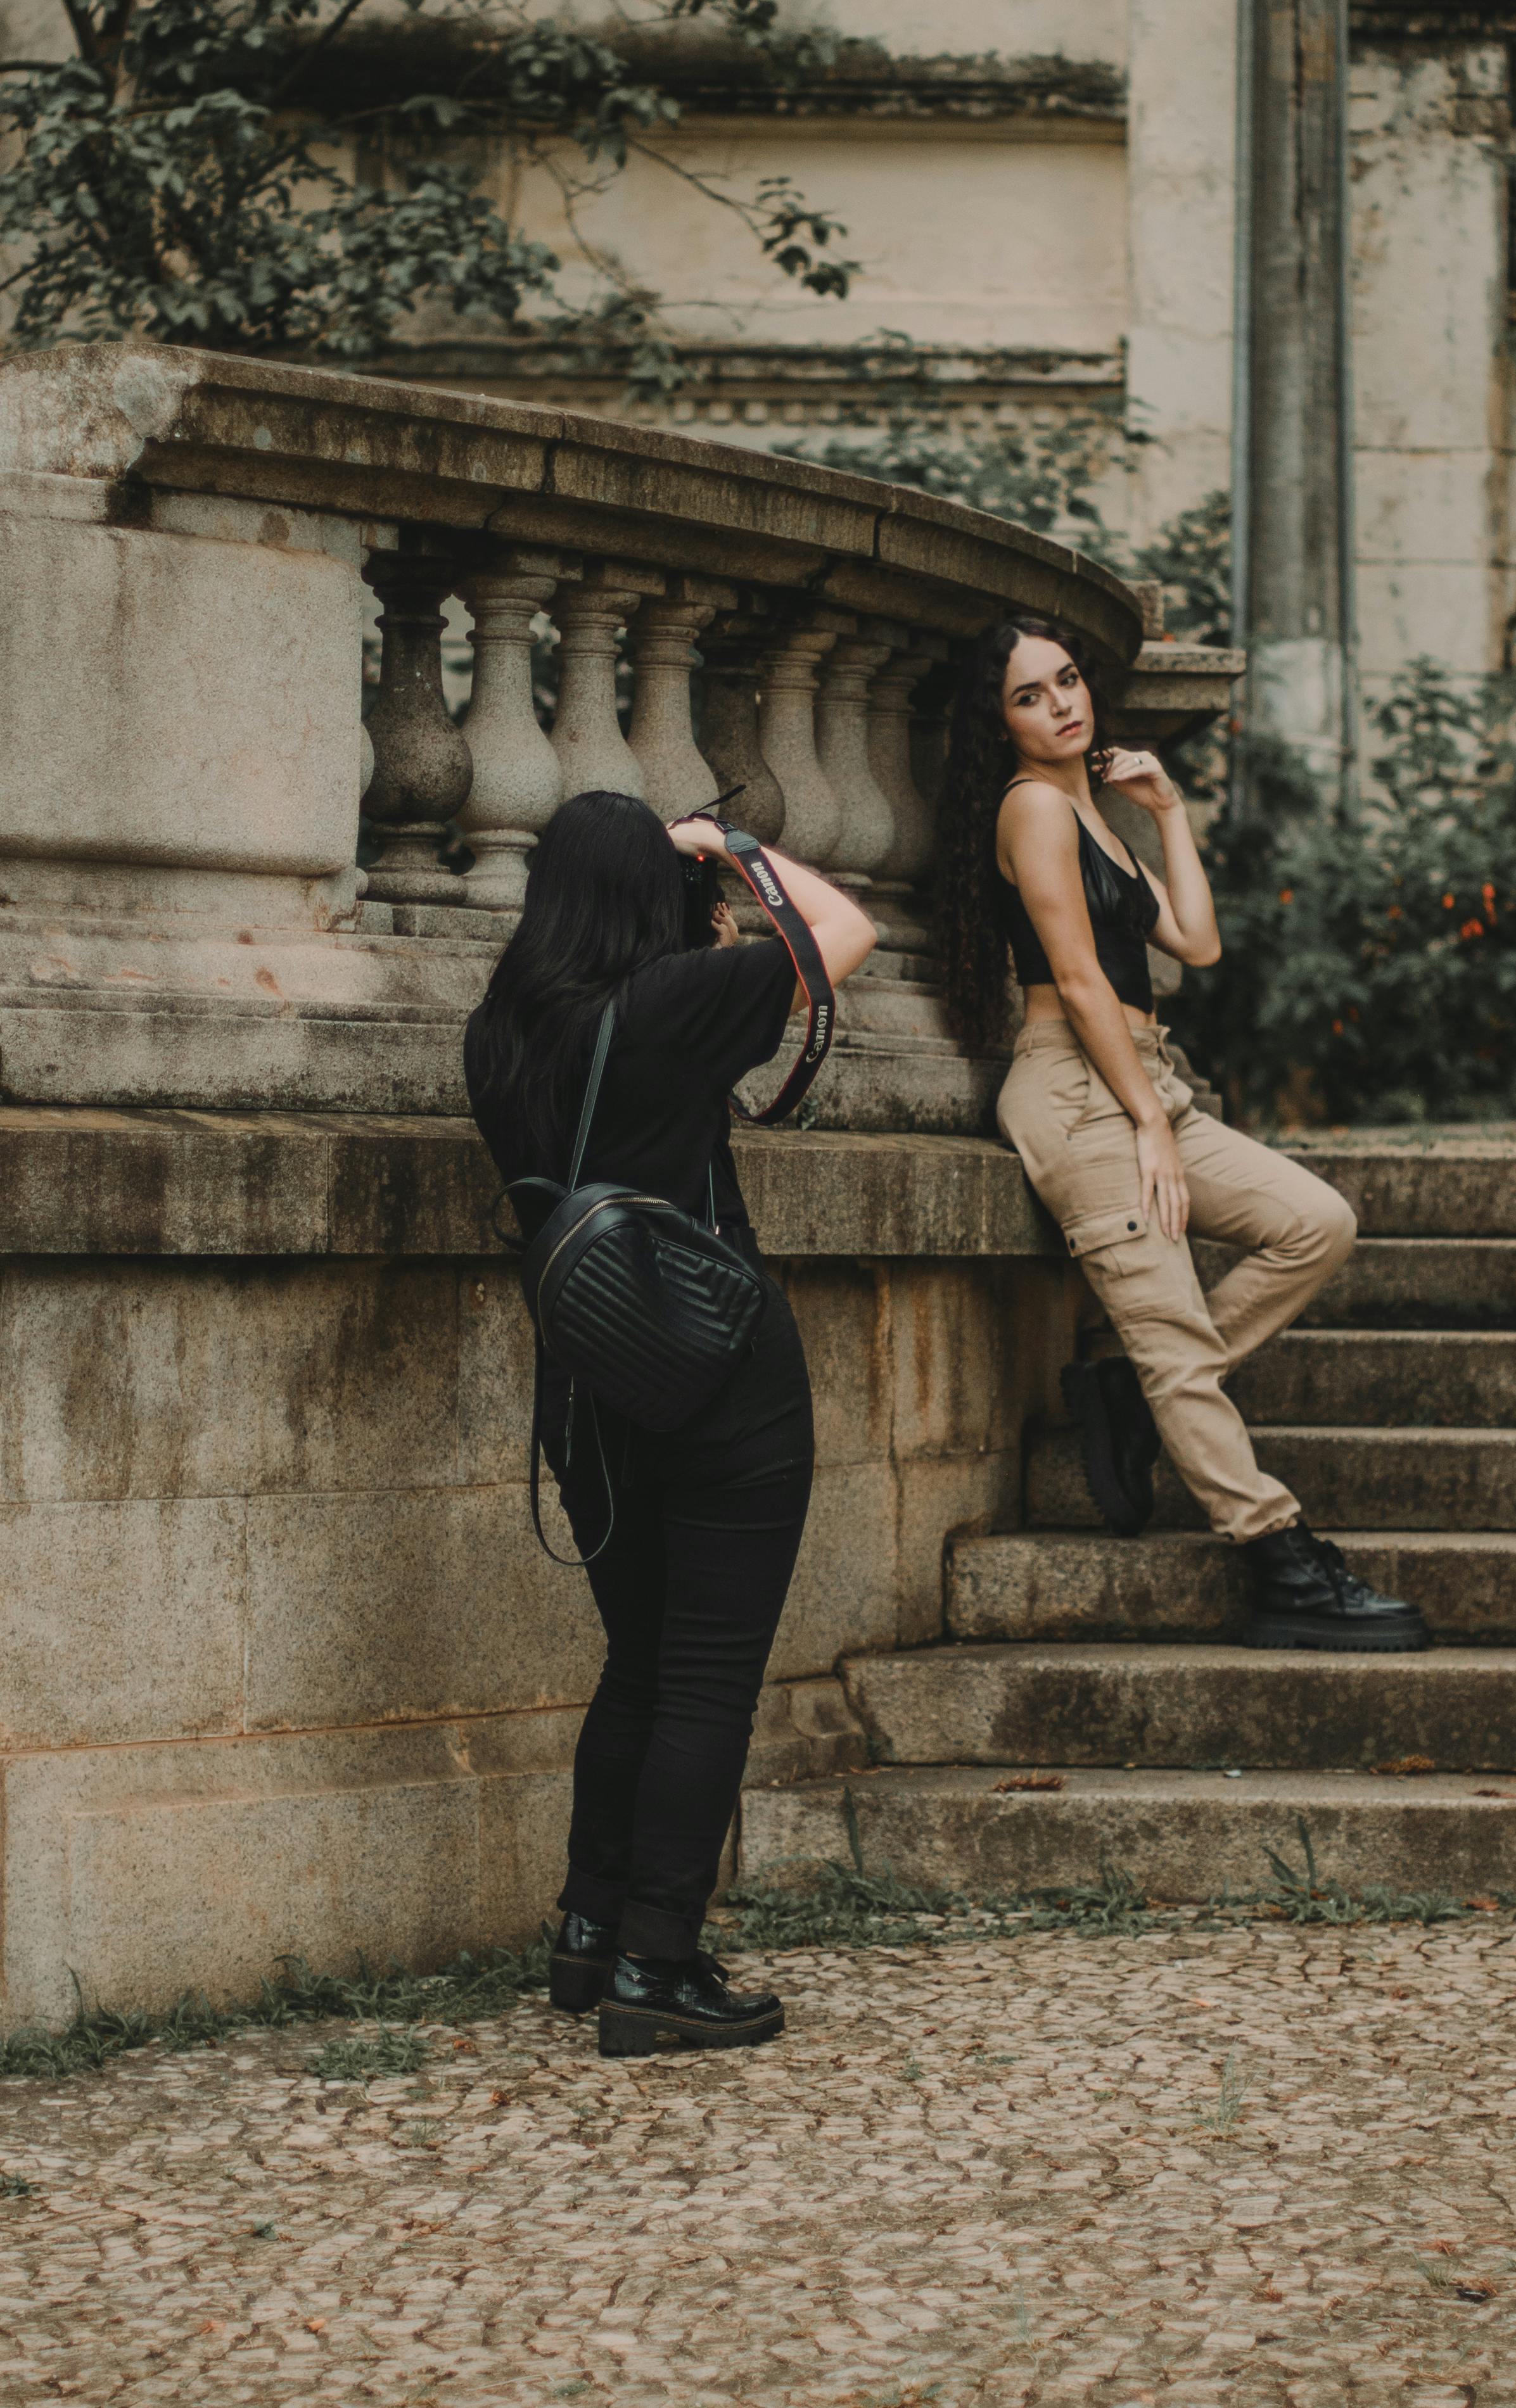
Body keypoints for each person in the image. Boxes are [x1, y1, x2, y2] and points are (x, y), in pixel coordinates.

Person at [465, 789, 877, 2052]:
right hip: (715, 1364)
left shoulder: (498, 1030)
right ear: (656, 889)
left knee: (640, 1657)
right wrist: (733, 851)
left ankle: (590, 1935)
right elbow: (844, 931)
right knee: (705, 1671)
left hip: (586, 1382)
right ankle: (661, 1960)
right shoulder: (670, 1005)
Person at [934, 614, 1427, 1651]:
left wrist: (1166, 811)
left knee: (1315, 1223)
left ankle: (1125, 1380)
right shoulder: (1030, 812)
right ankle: (1278, 1557)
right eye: (1031, 695)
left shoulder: (1091, 813)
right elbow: (1075, 980)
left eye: (1068, 681)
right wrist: (1148, 1123)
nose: (1063, 703)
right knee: (1176, 1341)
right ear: (998, 721)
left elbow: (1194, 943)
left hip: (1137, 1078)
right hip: (1078, 1090)